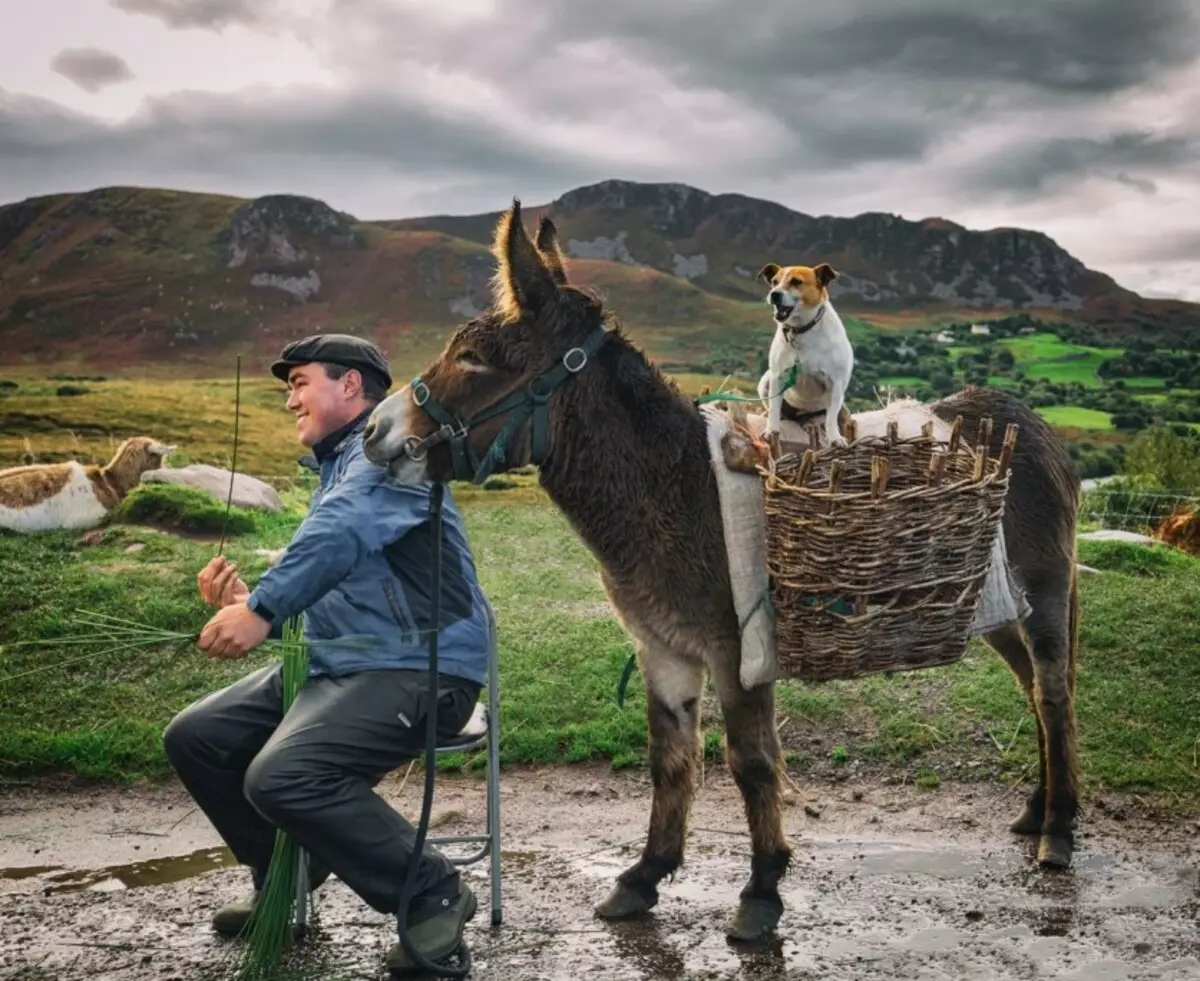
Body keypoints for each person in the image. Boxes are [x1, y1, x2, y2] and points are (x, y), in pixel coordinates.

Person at [163, 333, 492, 975]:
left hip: (420, 669)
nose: (290, 400)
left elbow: (343, 530)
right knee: (198, 737)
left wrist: (261, 612)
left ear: (349, 386)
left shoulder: (391, 453)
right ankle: (293, 870)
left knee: (282, 776)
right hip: (342, 661)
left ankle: (431, 892)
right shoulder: (342, 464)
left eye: (298, 382)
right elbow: (339, 559)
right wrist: (251, 594)